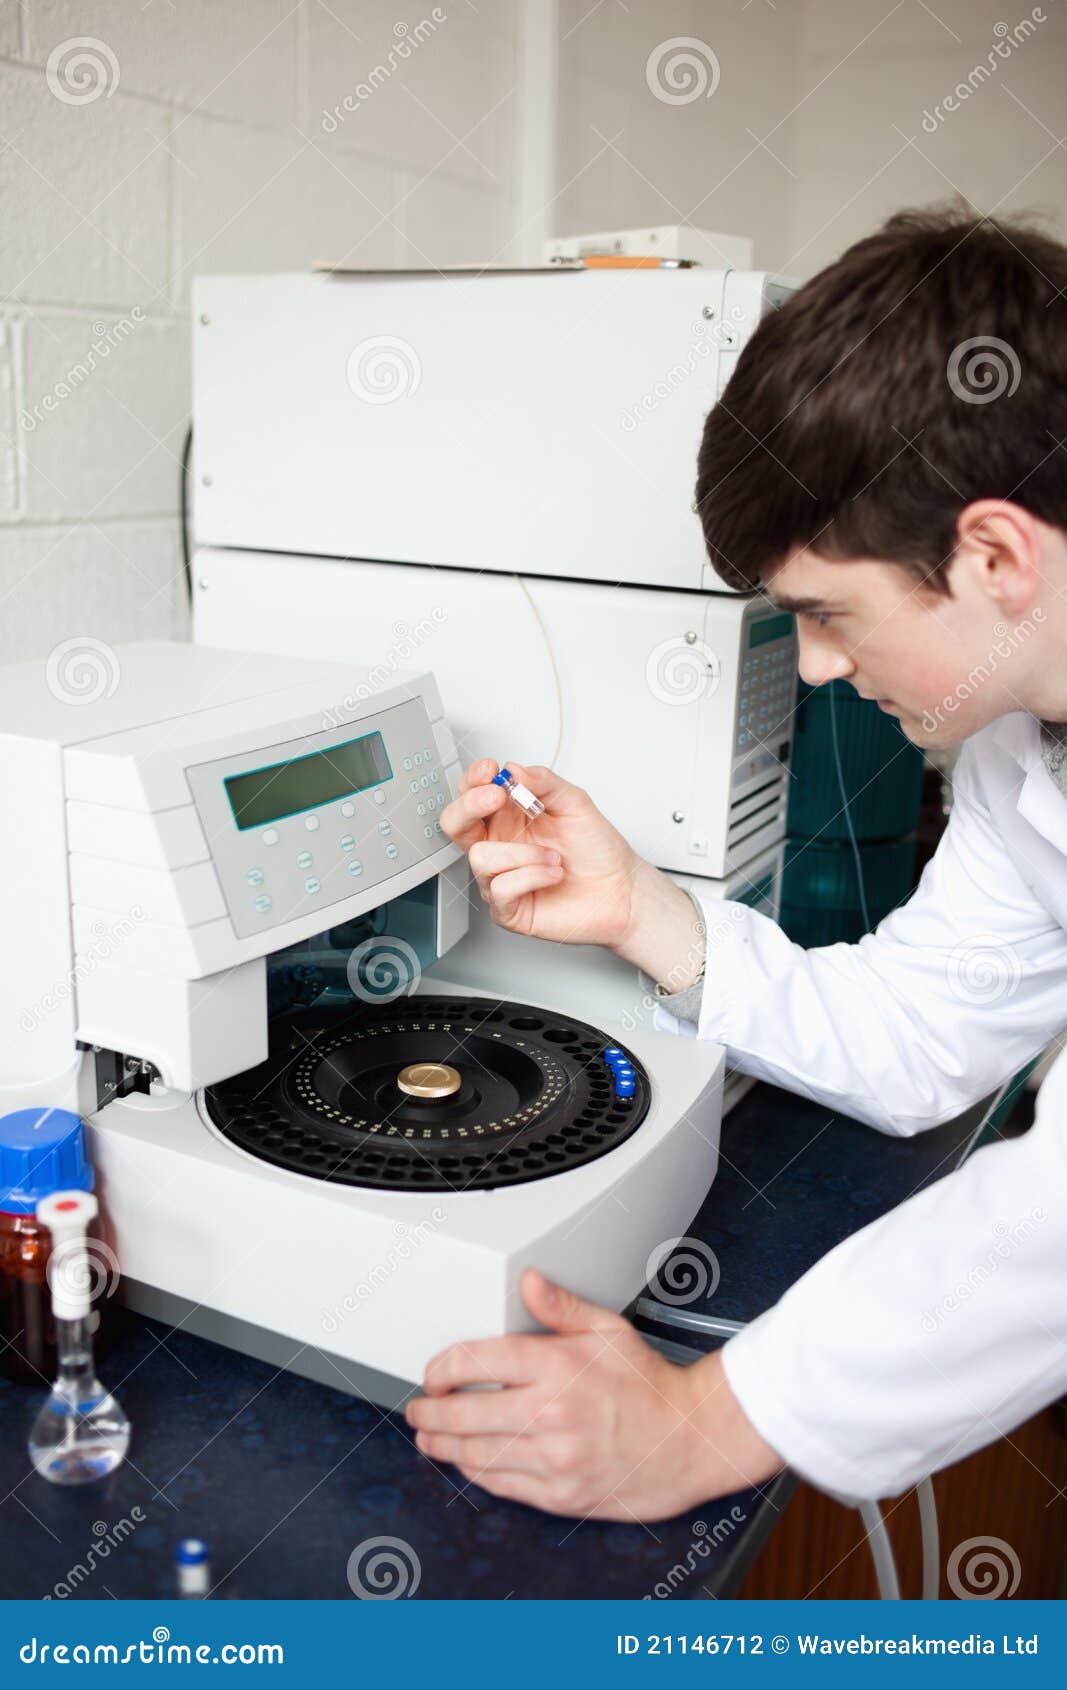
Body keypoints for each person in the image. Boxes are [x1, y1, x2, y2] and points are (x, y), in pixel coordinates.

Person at [404, 206, 1067, 1522]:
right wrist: (652, 918)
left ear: (994, 554)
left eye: (829, 613)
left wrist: (704, 1421)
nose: (815, 666)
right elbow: (922, 1033)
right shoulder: (1019, 751)